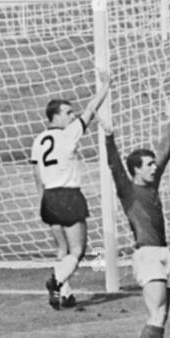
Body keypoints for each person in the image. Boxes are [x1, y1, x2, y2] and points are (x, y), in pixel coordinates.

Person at [102, 97, 170, 338]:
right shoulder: (128, 190)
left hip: (164, 254)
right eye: (147, 165)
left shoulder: (153, 183)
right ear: (135, 169)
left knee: (159, 315)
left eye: (152, 164)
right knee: (157, 314)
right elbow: (114, 166)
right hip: (148, 256)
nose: (153, 167)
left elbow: (164, 153)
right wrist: (109, 136)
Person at [35, 70, 112, 310]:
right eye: (67, 113)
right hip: (68, 196)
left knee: (62, 248)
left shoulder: (38, 140)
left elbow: (36, 173)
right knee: (77, 250)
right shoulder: (68, 134)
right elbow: (90, 109)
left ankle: (65, 295)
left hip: (48, 197)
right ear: (55, 117)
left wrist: (41, 200)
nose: (72, 116)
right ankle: (56, 281)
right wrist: (106, 86)